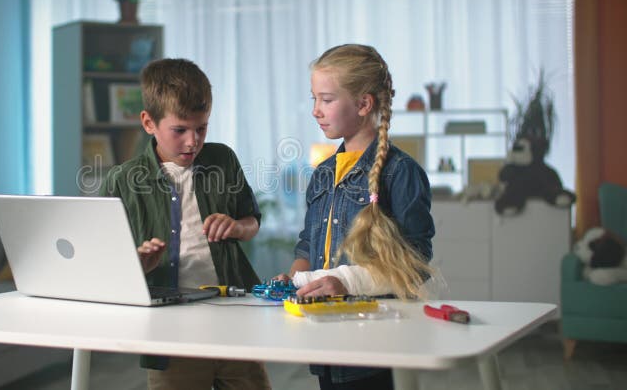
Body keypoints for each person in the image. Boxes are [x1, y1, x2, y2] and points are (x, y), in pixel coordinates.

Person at [100, 58, 271, 390]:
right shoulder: (121, 181)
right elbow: (109, 267)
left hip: (234, 319)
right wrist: (137, 263)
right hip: (170, 330)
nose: (193, 141)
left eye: (202, 128)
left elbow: (253, 222)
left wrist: (237, 227)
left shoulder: (223, 160)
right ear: (149, 123)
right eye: (180, 130)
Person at [275, 44, 435, 390]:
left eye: (327, 100)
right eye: (314, 99)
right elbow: (307, 244)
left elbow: (415, 263)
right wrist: (294, 280)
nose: (316, 111)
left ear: (364, 104)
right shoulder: (322, 173)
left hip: (376, 343)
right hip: (326, 342)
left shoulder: (401, 173)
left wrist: (345, 282)